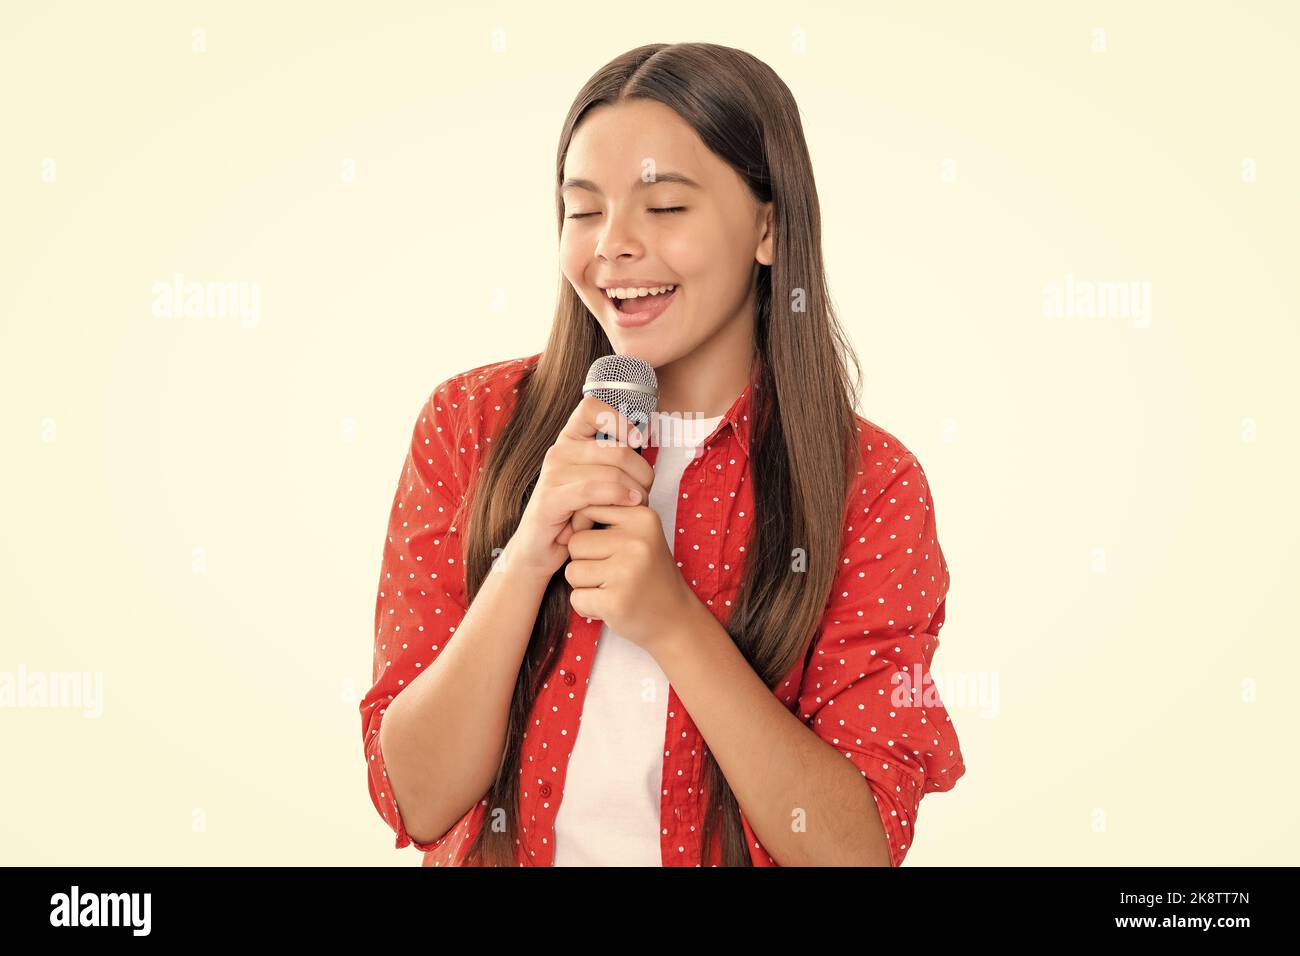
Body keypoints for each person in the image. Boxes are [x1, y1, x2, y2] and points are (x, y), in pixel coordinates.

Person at [361, 42, 966, 867]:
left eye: (665, 208)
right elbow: (418, 797)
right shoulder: (469, 425)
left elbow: (852, 851)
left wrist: (674, 623)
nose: (612, 245)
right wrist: (529, 549)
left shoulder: (870, 486)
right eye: (584, 210)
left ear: (767, 225)